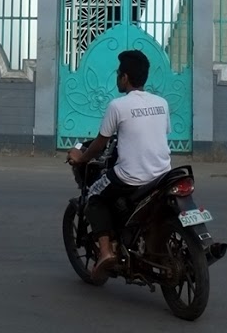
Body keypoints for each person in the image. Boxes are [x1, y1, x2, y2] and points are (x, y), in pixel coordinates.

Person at [69, 48, 171, 282]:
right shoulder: (162, 103)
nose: (117, 77)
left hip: (131, 177)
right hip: (162, 175)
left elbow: (99, 144)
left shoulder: (118, 106)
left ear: (125, 77)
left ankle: (105, 252)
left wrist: (81, 157)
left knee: (93, 195)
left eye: (118, 74)